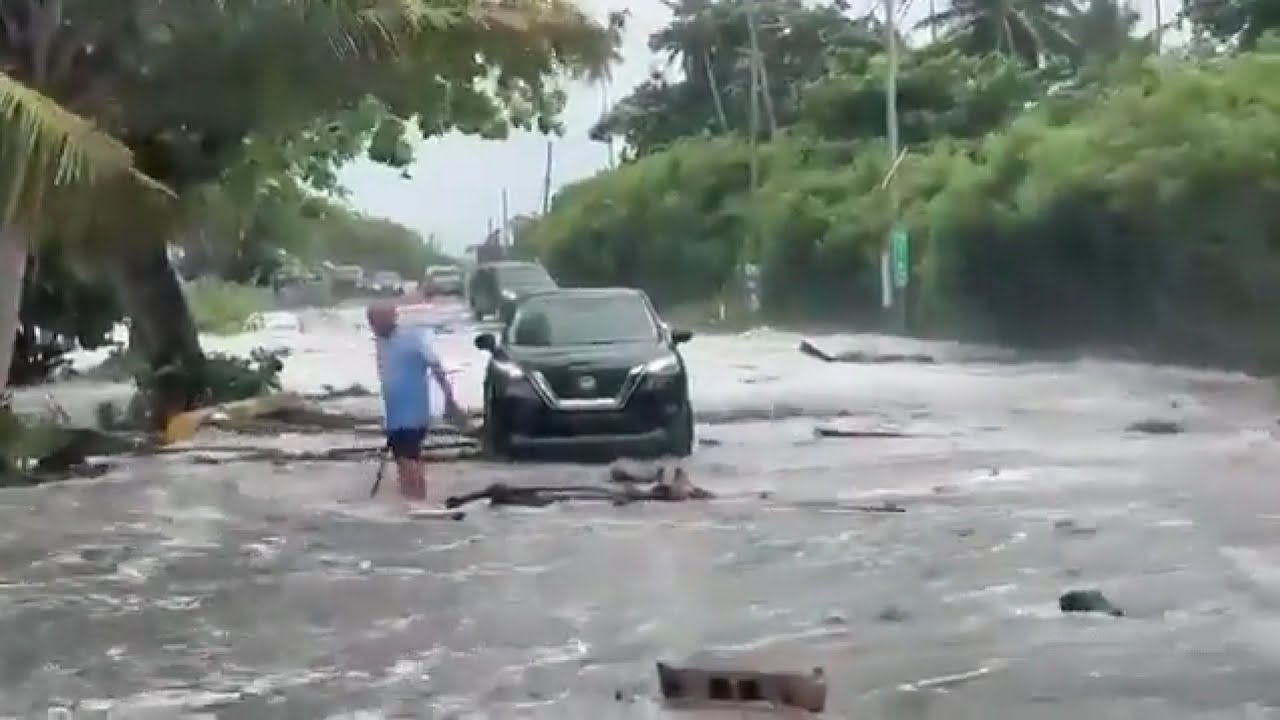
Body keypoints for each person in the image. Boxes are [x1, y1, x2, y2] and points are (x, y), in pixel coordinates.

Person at [368, 300, 460, 501]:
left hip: (413, 413)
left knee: (409, 459)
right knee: (405, 461)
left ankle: (417, 501)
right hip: (394, 415)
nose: (373, 327)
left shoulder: (412, 339)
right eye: (371, 322)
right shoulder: (381, 342)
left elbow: (436, 367)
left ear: (391, 318)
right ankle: (413, 503)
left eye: (376, 321)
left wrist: (449, 399)